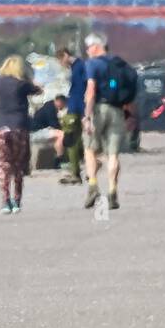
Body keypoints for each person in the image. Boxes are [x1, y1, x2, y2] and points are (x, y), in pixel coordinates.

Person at [0, 54, 42, 214]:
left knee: (3, 165)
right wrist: (30, 77)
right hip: (18, 126)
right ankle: (17, 201)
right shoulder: (22, 84)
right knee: (18, 166)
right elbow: (39, 89)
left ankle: (5, 201)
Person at [81, 33, 133, 210]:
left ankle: (93, 185)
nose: (87, 51)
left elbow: (91, 90)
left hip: (98, 110)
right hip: (117, 110)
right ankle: (112, 191)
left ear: (96, 46)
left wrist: (87, 116)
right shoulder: (117, 64)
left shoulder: (92, 64)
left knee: (89, 149)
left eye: (88, 47)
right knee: (113, 155)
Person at [56, 48, 84, 184]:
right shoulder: (77, 67)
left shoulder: (79, 67)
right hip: (77, 106)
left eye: (61, 60)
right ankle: (78, 170)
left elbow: (82, 89)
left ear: (66, 55)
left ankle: (76, 172)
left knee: (71, 139)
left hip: (77, 107)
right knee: (77, 139)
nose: (62, 64)